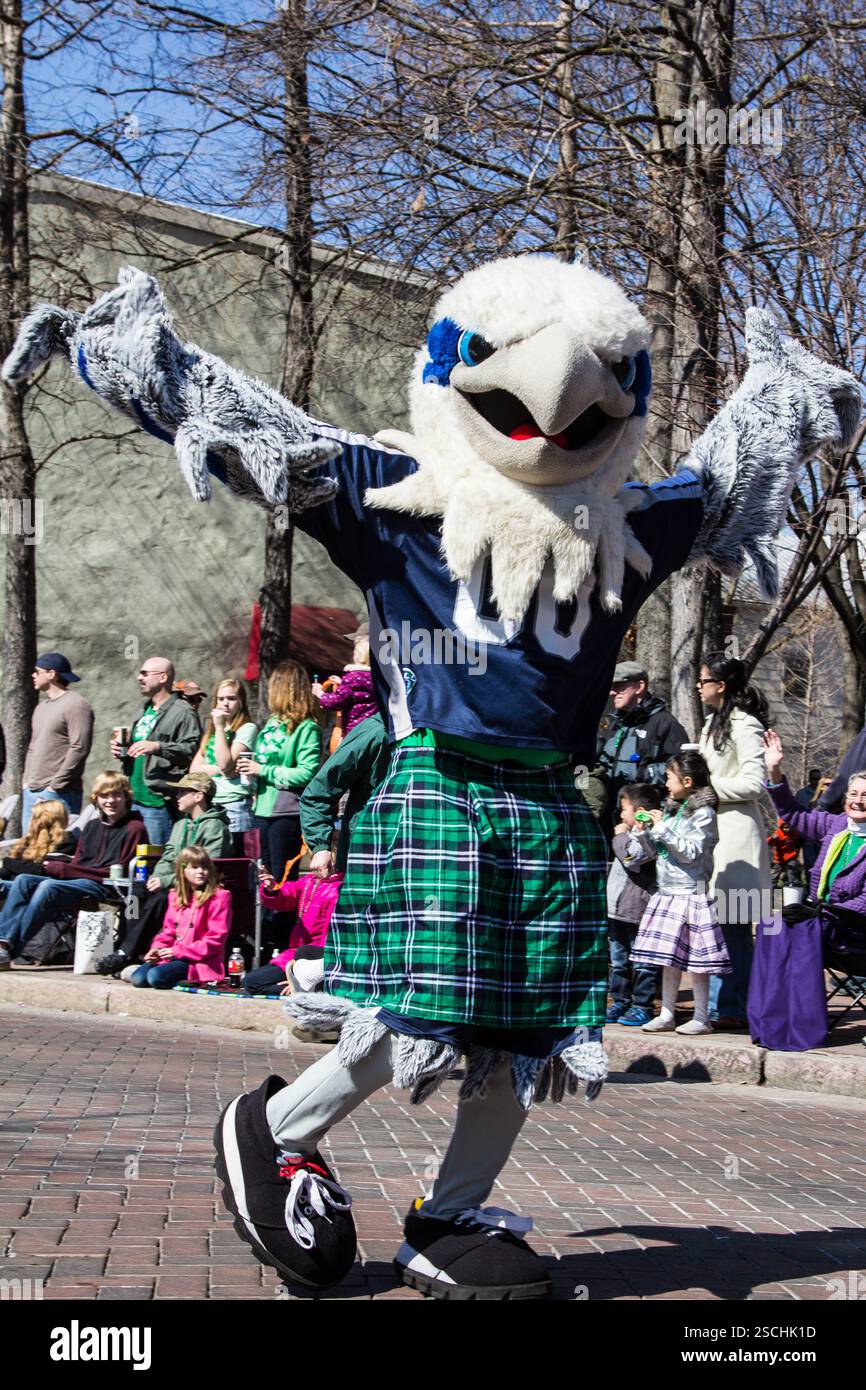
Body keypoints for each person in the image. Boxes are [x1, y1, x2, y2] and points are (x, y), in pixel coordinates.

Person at [35, 255, 858, 1298]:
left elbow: (726, 478)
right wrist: (141, 356)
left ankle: (453, 1212)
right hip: (439, 786)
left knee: (531, 1030)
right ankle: (278, 1130)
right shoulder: (395, 496)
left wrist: (783, 392)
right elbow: (263, 432)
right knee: (420, 1007)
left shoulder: (624, 522)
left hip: (553, 802)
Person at [749, 732, 866, 1051]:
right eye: (853, 793)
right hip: (825, 922)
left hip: (855, 933)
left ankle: (802, 1025)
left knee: (801, 930)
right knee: (771, 927)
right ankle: (773, 1021)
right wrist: (774, 771)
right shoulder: (836, 826)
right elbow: (793, 814)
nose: (858, 800)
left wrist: (818, 912)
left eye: (865, 795)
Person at [627, 751, 729, 1035]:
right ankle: (667, 1013)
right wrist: (643, 833)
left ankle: (701, 1017)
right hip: (667, 892)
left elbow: (689, 854)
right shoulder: (672, 811)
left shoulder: (704, 814)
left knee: (697, 960)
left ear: (687, 781)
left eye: (669, 777)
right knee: (667, 958)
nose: (665, 783)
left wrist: (661, 828)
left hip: (691, 893)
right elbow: (656, 853)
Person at [0, 772, 144, 969]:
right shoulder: (92, 826)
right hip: (79, 882)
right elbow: (78, 862)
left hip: (105, 886)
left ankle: (11, 950)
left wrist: (64, 869)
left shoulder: (135, 828)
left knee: (48, 886)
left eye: (117, 795)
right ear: (96, 798)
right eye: (104, 796)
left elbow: (116, 872)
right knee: (24, 880)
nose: (110, 801)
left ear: (126, 797)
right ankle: (2, 943)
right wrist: (66, 869)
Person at [697, 653, 771, 1032]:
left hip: (738, 837)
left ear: (721, 685)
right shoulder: (711, 723)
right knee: (716, 923)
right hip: (712, 834)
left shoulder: (746, 724)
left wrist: (709, 789)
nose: (699, 686)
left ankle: (735, 1007)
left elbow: (755, 783)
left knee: (735, 924)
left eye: (704, 680)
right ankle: (717, 1005)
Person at [95, 772, 231, 976]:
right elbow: (168, 856)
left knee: (159, 900)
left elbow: (207, 868)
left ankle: (126, 953)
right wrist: (157, 876)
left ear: (198, 796)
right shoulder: (180, 825)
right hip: (173, 881)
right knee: (135, 894)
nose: (177, 796)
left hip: (197, 886)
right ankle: (126, 947)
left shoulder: (215, 827)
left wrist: (166, 880)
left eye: (182, 792)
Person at [236, 661, 321, 879]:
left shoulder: (307, 727)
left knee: (281, 878)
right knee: (262, 877)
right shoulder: (272, 723)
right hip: (261, 809)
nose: (269, 691)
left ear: (284, 689)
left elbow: (307, 773)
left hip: (286, 812)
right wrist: (251, 773)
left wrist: (263, 770)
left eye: (273, 686)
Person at [112, 656, 201, 845]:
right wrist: (122, 750)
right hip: (133, 798)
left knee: (156, 857)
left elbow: (192, 751)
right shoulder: (145, 709)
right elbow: (140, 750)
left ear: (163, 677)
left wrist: (158, 747)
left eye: (145, 673)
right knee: (134, 857)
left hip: (158, 801)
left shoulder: (183, 712)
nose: (139, 678)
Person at [594, 661, 688, 826]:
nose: (612, 692)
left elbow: (684, 769)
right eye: (611, 687)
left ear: (639, 686)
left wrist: (645, 773)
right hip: (613, 818)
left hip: (647, 821)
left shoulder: (664, 723)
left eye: (619, 686)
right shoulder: (616, 723)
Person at [300, 712, 389, 878]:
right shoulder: (377, 731)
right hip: (366, 857)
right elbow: (318, 793)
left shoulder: (441, 733)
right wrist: (321, 847)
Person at [130, 846, 231, 989]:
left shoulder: (219, 897)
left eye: (204, 867)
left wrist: (177, 952)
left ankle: (186, 979)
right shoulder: (175, 895)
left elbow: (215, 940)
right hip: (173, 955)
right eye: (194, 867)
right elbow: (168, 932)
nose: (201, 872)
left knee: (155, 977)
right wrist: (157, 949)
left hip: (197, 960)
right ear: (183, 871)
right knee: (138, 979)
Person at [605, 783, 663, 1027]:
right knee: (619, 961)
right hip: (616, 910)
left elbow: (632, 858)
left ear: (639, 812)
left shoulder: (648, 837)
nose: (620, 815)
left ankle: (642, 1005)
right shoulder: (628, 835)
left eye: (624, 809)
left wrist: (619, 837)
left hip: (639, 911)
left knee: (643, 963)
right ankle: (620, 1000)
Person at [241, 866, 344, 998]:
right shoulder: (309, 881)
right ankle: (302, 989)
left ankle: (307, 990)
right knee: (250, 981)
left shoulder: (337, 889)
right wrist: (272, 889)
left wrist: (307, 978)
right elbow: (286, 895)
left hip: (313, 959)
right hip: (296, 955)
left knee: (253, 983)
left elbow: (329, 939)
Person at [21, 652, 94, 831]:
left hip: (60, 793)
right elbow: (33, 746)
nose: (33, 675)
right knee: (30, 846)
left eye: (37, 671)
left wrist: (55, 786)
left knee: (57, 846)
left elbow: (79, 747)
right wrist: (26, 782)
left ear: (51, 674)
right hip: (32, 791)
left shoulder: (76, 705)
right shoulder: (41, 707)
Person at [190, 677, 258, 852]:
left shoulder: (246, 728)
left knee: (235, 858)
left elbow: (225, 763)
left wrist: (220, 727)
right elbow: (194, 770)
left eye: (231, 698)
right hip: (212, 804)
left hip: (234, 805)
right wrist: (222, 770)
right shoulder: (212, 732)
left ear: (241, 702)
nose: (225, 704)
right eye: (221, 699)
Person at [0, 799, 77, 899]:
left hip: (37, 888)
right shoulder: (30, 840)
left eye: (33, 817)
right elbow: (10, 870)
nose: (30, 821)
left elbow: (39, 870)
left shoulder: (66, 842)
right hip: (14, 884)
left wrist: (6, 862)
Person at [313, 629, 377, 740]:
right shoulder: (376, 679)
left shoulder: (351, 678)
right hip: (373, 731)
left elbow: (335, 702)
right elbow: (359, 692)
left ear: (356, 655)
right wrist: (342, 684)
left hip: (353, 732)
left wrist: (320, 693)